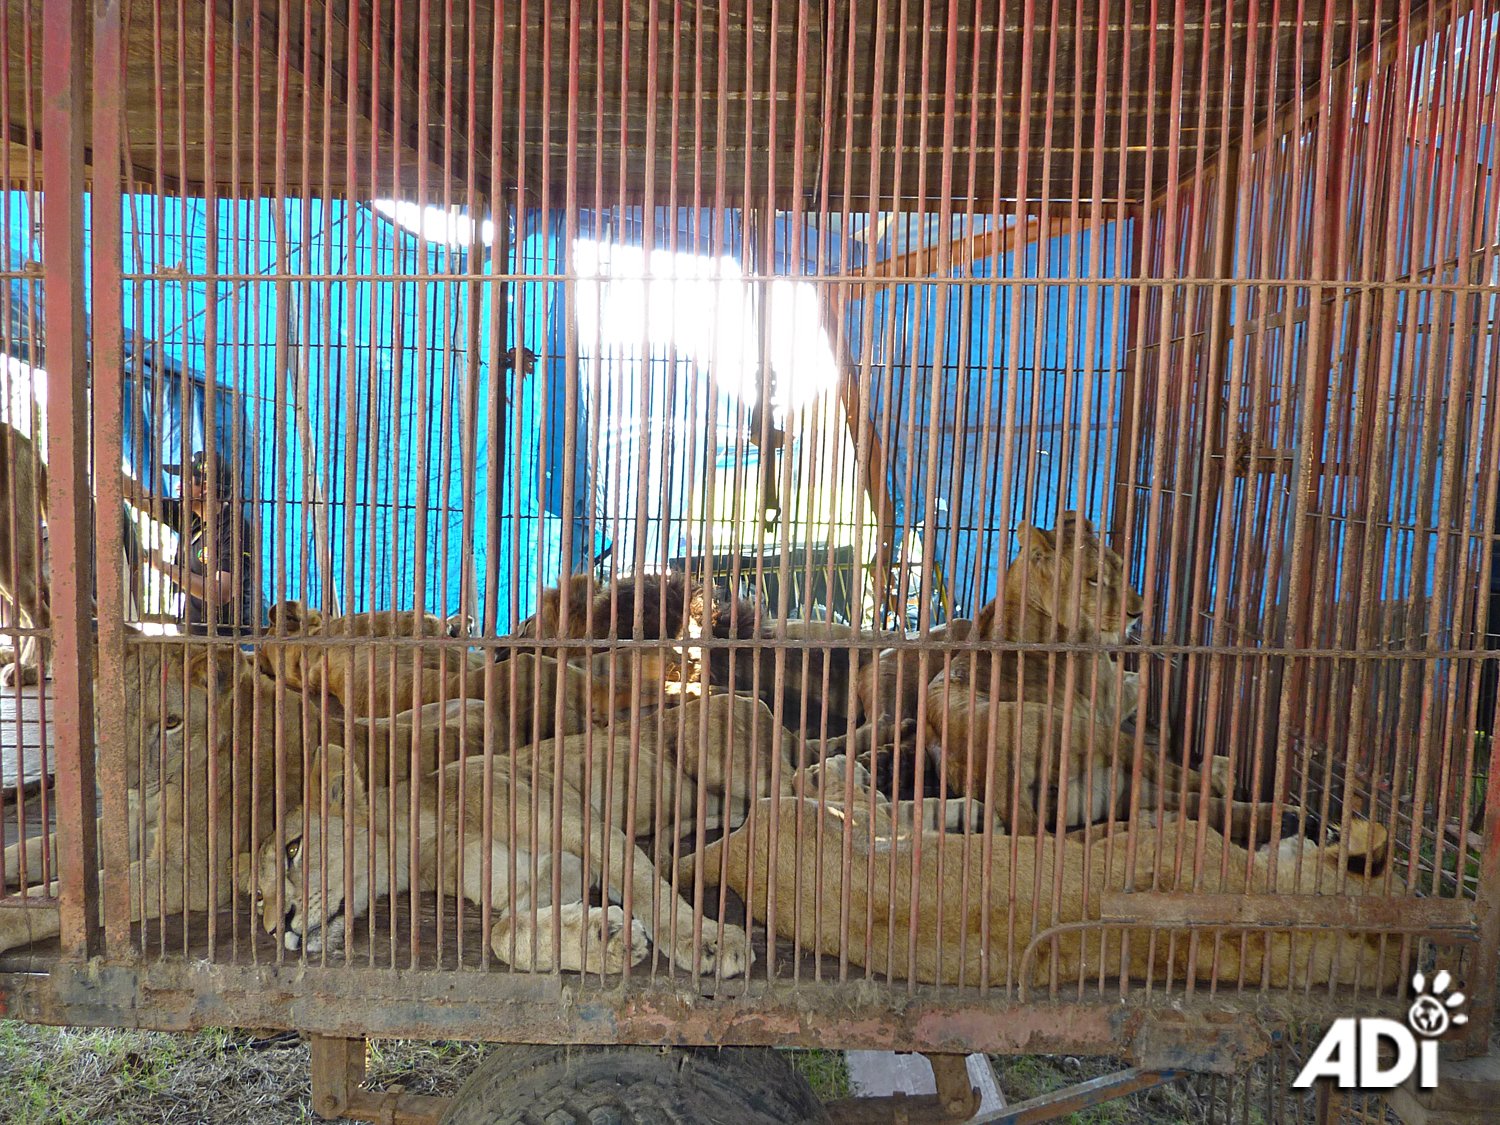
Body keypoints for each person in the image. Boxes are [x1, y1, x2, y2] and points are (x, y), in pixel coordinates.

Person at [124, 449, 257, 636]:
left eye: (186, 482)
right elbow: (144, 501)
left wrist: (163, 567)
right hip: (192, 639)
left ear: (205, 488)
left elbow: (221, 593)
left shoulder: (234, 530)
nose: (178, 487)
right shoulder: (192, 517)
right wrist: (108, 468)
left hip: (225, 645)